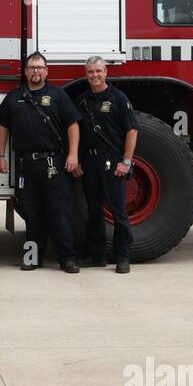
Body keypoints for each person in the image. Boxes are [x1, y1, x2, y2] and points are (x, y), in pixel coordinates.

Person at [0, 51, 82, 273]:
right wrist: (1, 155)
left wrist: (73, 155)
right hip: (26, 165)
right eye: (32, 67)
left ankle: (67, 259)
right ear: (25, 71)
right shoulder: (14, 97)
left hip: (53, 163)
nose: (35, 71)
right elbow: (2, 125)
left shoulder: (58, 95)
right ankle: (33, 257)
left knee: (59, 213)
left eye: (39, 67)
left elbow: (73, 124)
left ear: (46, 71)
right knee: (32, 215)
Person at [76, 56, 138, 273]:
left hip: (113, 161)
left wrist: (126, 162)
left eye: (98, 71)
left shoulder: (119, 98)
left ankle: (123, 257)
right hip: (89, 162)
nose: (94, 75)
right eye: (91, 72)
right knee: (93, 212)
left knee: (118, 211)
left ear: (106, 73)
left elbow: (131, 131)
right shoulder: (82, 100)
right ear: (86, 74)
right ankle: (97, 256)